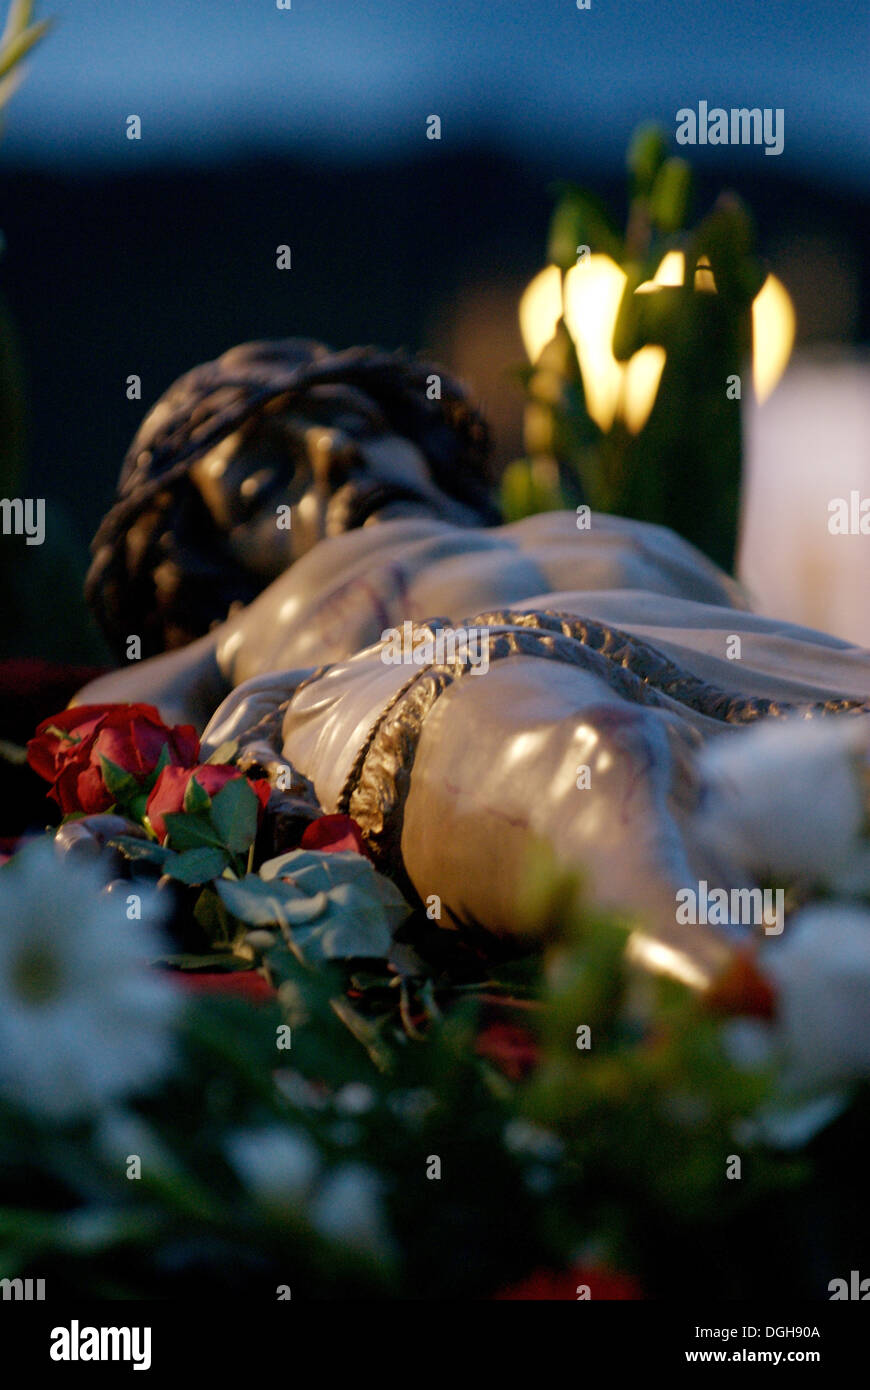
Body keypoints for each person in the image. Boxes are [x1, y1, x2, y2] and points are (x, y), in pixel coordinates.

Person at [77, 339, 870, 996]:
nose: (336, 454)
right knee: (599, 755)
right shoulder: (260, 616)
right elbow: (106, 727)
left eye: (355, 423)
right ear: (211, 577)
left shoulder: (589, 531)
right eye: (267, 485)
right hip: (457, 672)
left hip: (790, 681)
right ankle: (736, 1010)